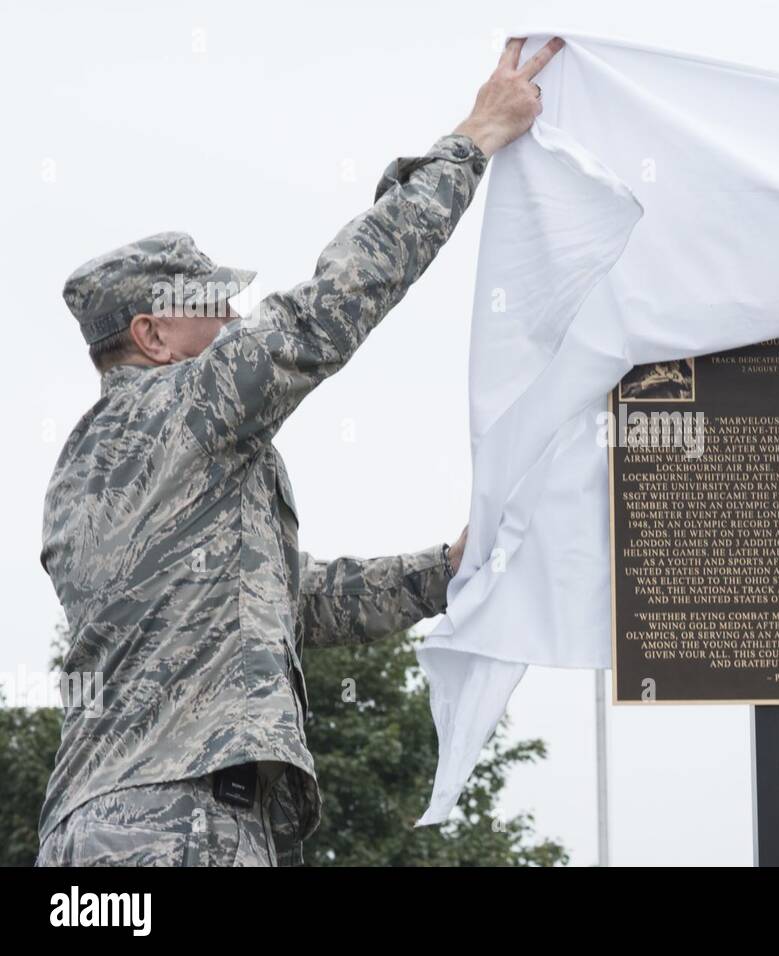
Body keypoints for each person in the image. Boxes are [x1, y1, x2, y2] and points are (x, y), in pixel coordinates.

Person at [35, 36, 565, 867]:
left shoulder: (113, 461)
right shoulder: (181, 410)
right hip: (174, 827)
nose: (237, 323)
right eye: (216, 306)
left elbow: (289, 600)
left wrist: (443, 569)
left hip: (128, 826)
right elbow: (331, 306)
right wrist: (472, 141)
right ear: (154, 334)